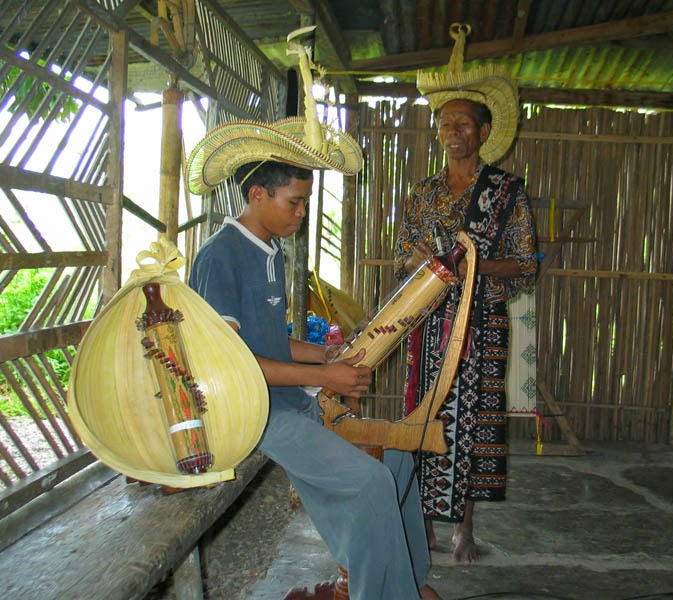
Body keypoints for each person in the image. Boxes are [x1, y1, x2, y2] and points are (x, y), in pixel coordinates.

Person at [185, 28, 442, 600]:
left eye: (304, 201)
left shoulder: (269, 251)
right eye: (294, 202)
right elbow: (234, 367)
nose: (301, 212)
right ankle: (389, 593)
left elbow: (273, 340)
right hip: (251, 416)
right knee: (370, 482)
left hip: (289, 399)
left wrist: (327, 355)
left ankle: (400, 582)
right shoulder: (219, 257)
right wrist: (326, 376)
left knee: (398, 457)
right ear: (257, 196)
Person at [394, 23, 538, 565]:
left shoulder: (505, 192)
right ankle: (425, 526)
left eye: (463, 124)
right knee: (426, 417)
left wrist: (470, 266)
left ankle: (464, 532)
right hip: (431, 322)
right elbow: (405, 254)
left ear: (483, 132)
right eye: (444, 124)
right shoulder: (425, 193)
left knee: (474, 422)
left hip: (483, 322)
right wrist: (432, 267)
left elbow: (525, 264)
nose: (452, 131)